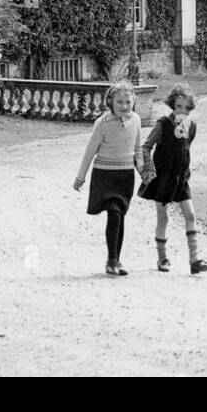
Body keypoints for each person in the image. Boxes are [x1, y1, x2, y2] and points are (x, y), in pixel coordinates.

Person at [73, 83, 142, 276]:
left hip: (125, 176)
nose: (124, 105)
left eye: (128, 101)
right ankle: (112, 260)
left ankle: (116, 260)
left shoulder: (136, 120)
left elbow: (137, 150)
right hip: (105, 175)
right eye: (119, 101)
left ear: (134, 101)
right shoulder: (102, 123)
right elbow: (90, 152)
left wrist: (144, 172)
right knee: (114, 212)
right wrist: (80, 177)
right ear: (110, 101)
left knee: (120, 215)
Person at [140, 83, 207, 275]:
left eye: (187, 108)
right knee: (163, 218)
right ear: (173, 105)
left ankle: (194, 260)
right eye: (179, 107)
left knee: (191, 215)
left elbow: (185, 148)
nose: (183, 111)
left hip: (181, 179)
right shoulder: (163, 124)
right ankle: (162, 258)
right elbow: (145, 147)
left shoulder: (192, 127)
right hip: (163, 177)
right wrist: (149, 167)